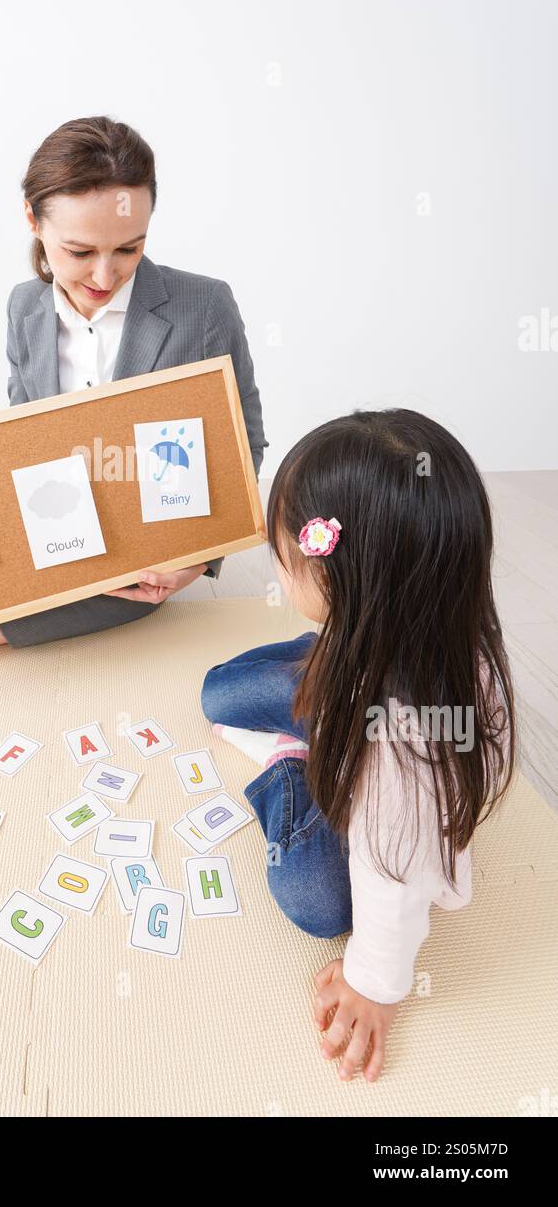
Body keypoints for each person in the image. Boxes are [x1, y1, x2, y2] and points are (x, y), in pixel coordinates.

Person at [0, 115, 267, 648]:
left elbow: (244, 444)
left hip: (147, 557)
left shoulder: (205, 305)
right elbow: (17, 450)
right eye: (80, 252)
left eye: (129, 248)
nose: (105, 278)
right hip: (55, 532)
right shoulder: (24, 308)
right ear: (33, 221)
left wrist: (196, 558)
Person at [201, 409, 516, 1083]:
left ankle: (292, 768)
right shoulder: (431, 612)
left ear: (349, 584)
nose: (279, 578)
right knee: (218, 696)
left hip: (371, 739)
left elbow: (392, 877)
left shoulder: (400, 764)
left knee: (317, 905)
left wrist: (376, 983)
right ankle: (321, 682)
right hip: (354, 674)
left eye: (286, 563)